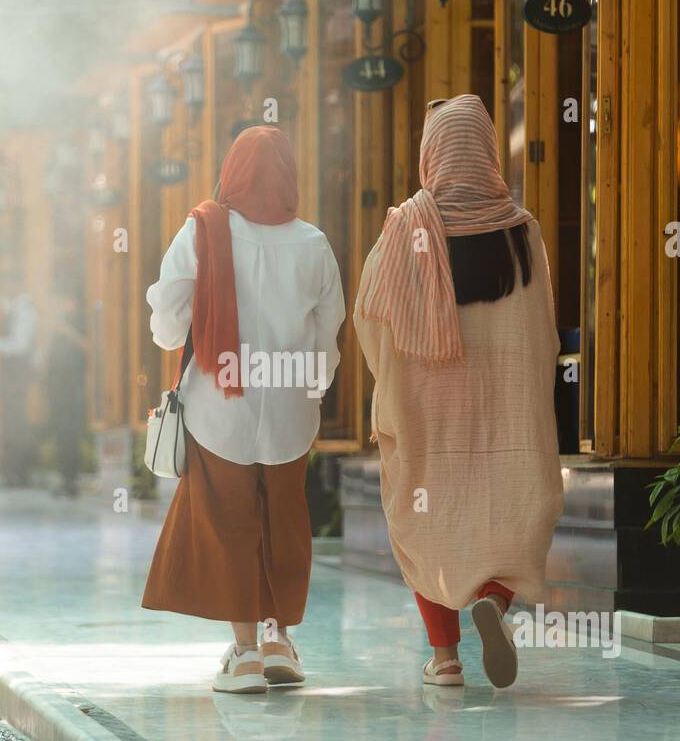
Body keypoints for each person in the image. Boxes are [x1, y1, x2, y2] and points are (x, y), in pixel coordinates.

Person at [354, 95, 563, 689]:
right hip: (506, 419)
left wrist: (395, 386)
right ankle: (494, 604)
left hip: (431, 418)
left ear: (432, 155)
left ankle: (445, 659)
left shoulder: (405, 229)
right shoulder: (524, 233)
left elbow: (370, 318)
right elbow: (541, 326)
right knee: (510, 516)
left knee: (431, 523)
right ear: (488, 153)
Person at [142, 125, 346, 694]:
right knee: (282, 522)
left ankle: (247, 653)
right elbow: (328, 334)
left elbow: (167, 318)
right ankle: (280, 640)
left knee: (230, 523)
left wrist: (180, 331)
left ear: (232, 171)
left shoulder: (203, 228)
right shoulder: (314, 243)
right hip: (289, 407)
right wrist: (314, 387)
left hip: (218, 408)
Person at [0, 279, 38, 488]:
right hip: (12, 380)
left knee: (16, 425)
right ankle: (11, 472)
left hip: (17, 379)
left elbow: (20, 345)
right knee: (10, 424)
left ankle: (18, 473)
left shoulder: (25, 311)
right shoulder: (15, 310)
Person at [46, 291, 88, 498]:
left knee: (70, 433)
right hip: (57, 388)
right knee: (61, 434)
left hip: (73, 387)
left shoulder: (81, 321)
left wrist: (67, 331)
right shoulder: (58, 325)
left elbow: (90, 347)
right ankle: (64, 478)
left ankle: (72, 480)